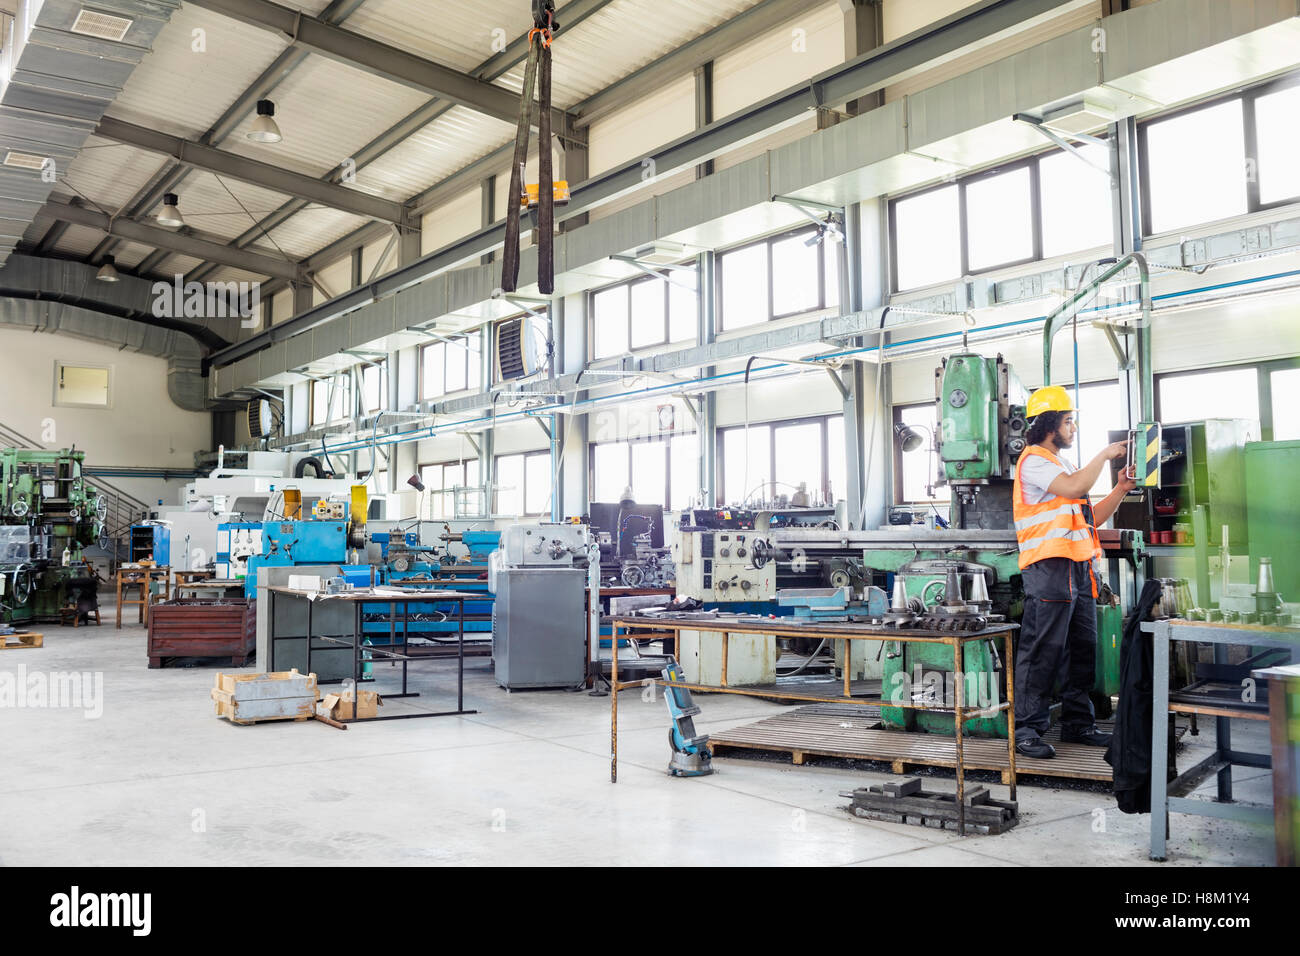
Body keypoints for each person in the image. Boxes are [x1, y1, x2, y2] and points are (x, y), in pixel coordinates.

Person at [1012, 386, 1136, 759]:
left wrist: (1120, 489)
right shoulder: (1034, 460)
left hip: (1079, 567)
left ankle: (1078, 723)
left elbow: (1090, 519)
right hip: (1049, 566)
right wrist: (1105, 454)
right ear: (1050, 423)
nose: (1074, 428)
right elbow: (1078, 486)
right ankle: (1027, 729)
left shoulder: (1062, 465)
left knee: (1082, 648)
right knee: (1043, 649)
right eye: (1069, 421)